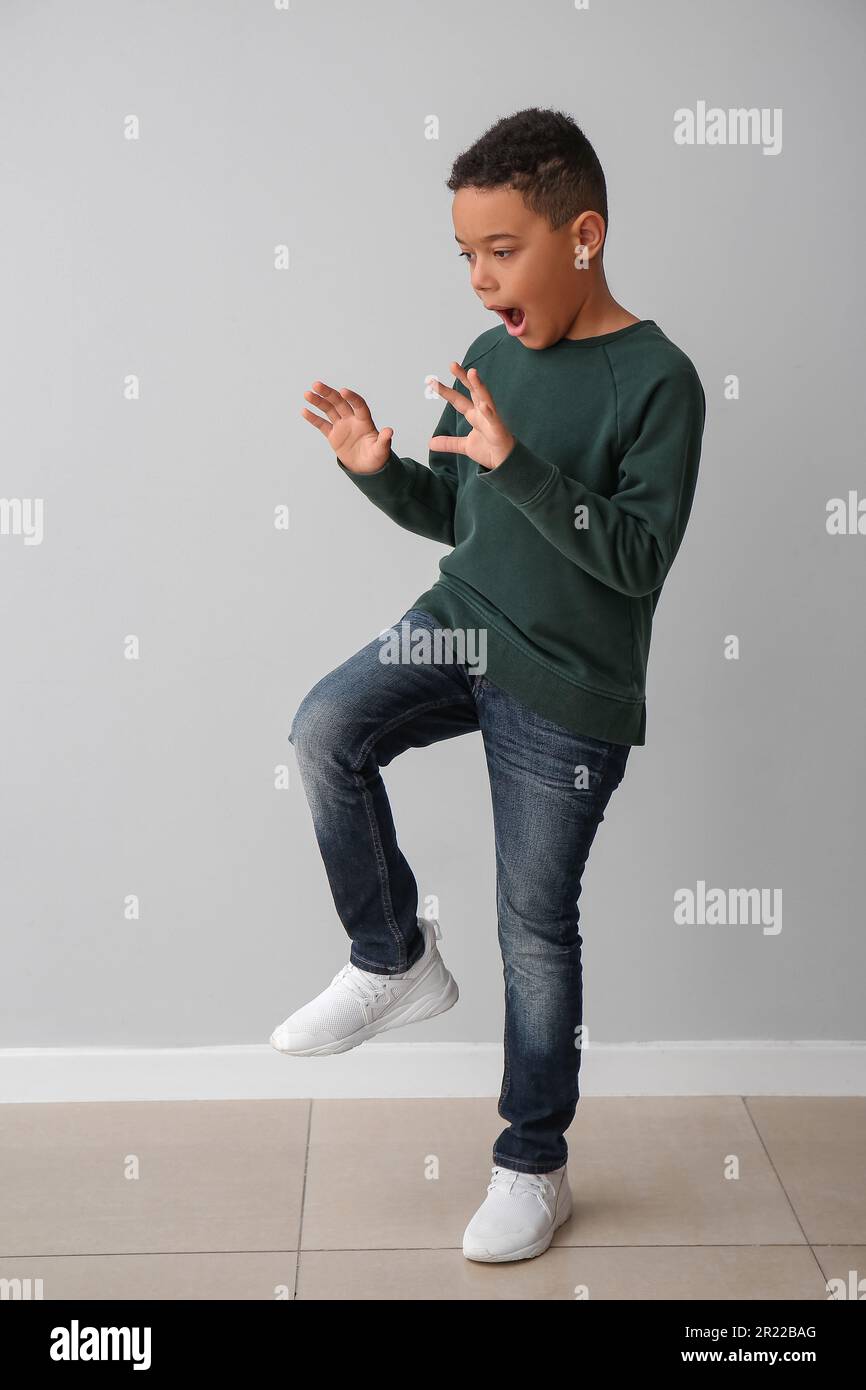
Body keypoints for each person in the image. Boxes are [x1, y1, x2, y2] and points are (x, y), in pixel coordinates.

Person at [270, 106, 707, 1264]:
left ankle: (532, 1164)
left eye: (498, 250)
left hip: (568, 682)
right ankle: (392, 958)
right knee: (324, 729)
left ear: (581, 235)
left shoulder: (657, 380)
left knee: (532, 929)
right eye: (462, 254)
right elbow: (460, 513)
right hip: (459, 627)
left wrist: (518, 462)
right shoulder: (492, 358)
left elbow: (634, 558)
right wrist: (380, 472)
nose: (476, 279)